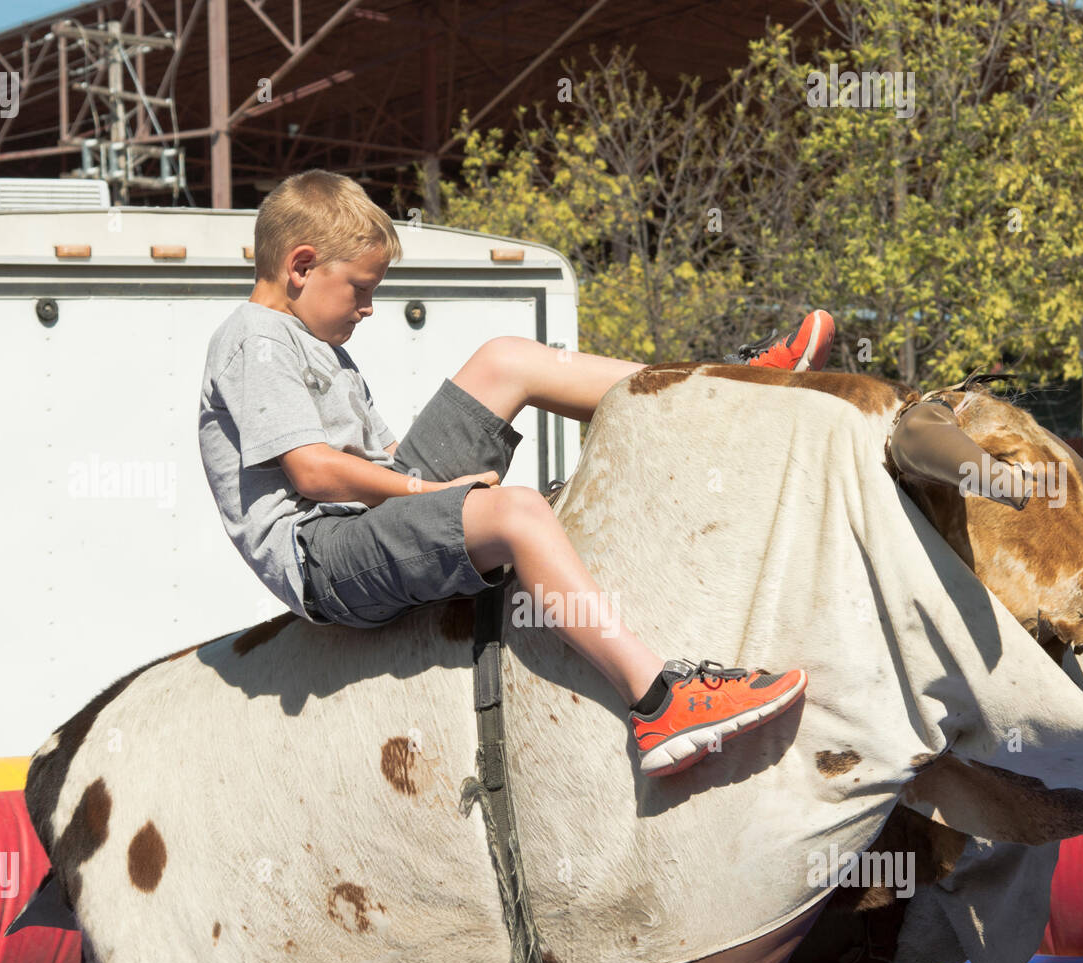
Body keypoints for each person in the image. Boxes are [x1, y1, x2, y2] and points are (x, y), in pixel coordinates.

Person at [198, 170, 834, 776]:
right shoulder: (254, 338)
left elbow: (383, 454)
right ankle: (659, 703)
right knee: (517, 511)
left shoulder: (324, 348)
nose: (368, 309)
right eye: (361, 289)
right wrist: (431, 492)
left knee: (505, 360)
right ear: (301, 266)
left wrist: (425, 484)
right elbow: (312, 471)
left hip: (372, 514)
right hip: (324, 553)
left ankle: (723, 391)